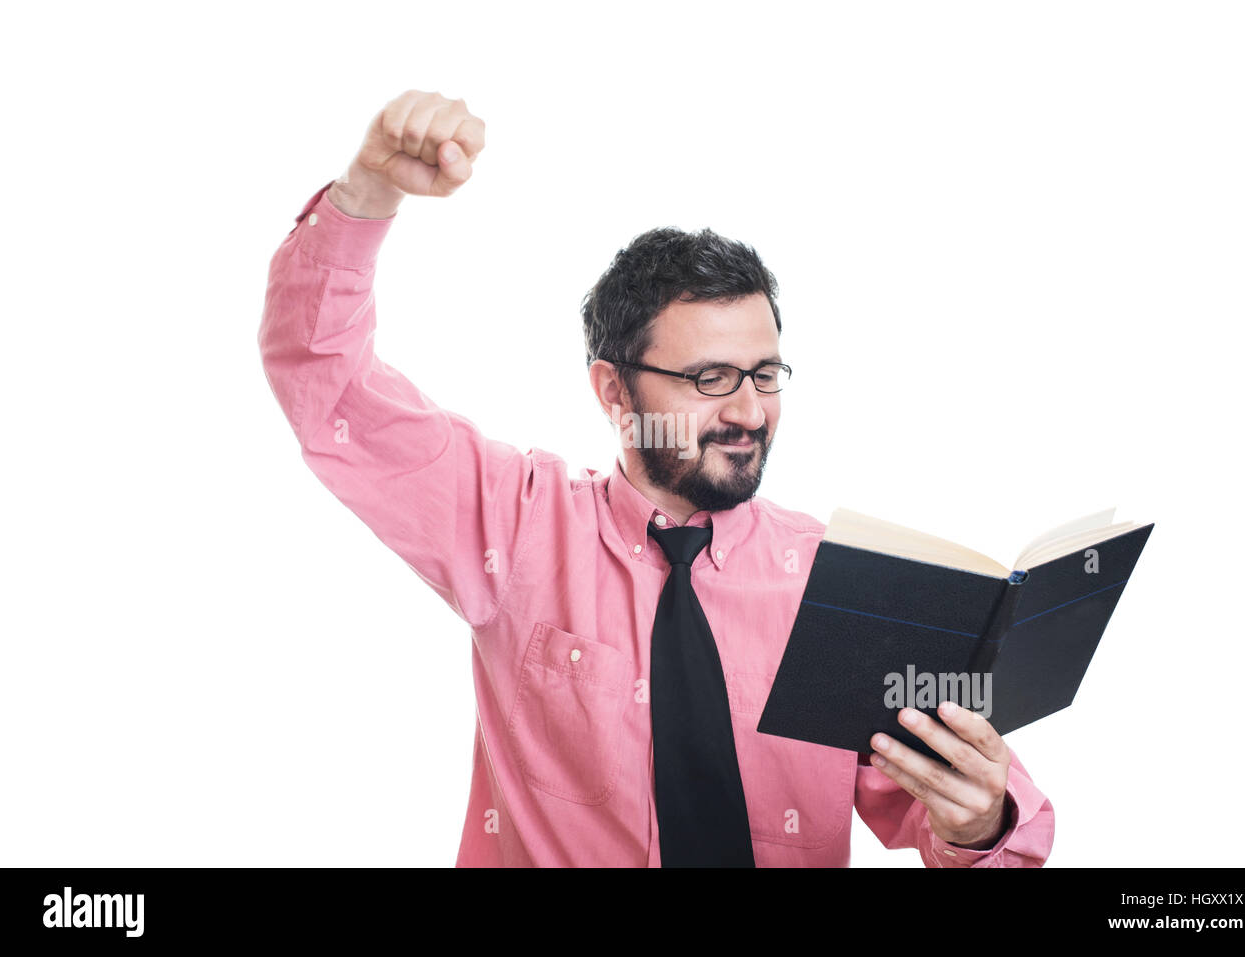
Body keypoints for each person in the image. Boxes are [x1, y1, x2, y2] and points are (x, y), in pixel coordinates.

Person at [258, 89, 1055, 867]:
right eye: (710, 377)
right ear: (614, 391)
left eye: (766, 372)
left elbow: (966, 828)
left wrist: (978, 818)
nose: (748, 410)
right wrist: (367, 193)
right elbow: (327, 383)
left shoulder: (839, 581)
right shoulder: (512, 523)